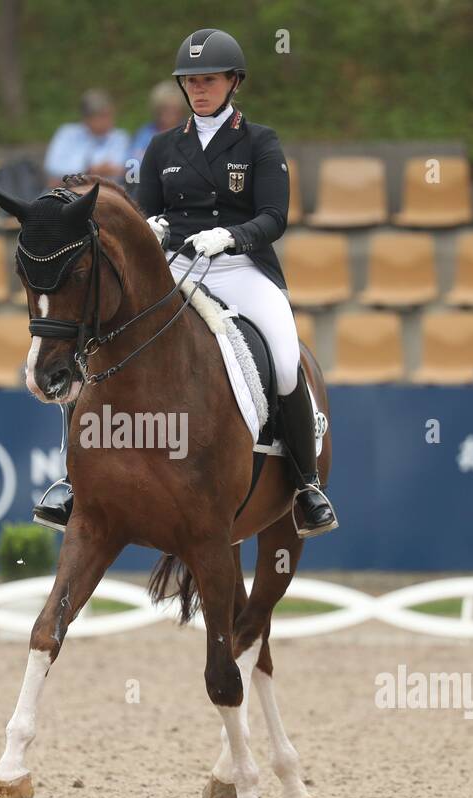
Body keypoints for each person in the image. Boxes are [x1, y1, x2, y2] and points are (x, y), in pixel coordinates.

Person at [33, 28, 337, 539]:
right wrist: (148, 227)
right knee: (95, 348)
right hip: (174, 268)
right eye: (191, 81)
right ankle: (71, 483)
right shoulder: (162, 146)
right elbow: (146, 210)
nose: (199, 89)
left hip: (242, 268)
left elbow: (275, 216)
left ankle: (306, 486)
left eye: (209, 80)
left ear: (232, 82)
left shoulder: (260, 142)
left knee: (286, 360)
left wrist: (233, 236)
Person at [42, 89, 130, 187]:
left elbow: (124, 170)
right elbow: (52, 167)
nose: (109, 120)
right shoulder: (67, 134)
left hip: (107, 193)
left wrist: (85, 174)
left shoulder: (120, 137)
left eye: (110, 115)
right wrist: (88, 170)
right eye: (102, 116)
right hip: (69, 193)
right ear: (87, 118)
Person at [128, 81, 186, 164]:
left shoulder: (189, 132)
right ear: (157, 109)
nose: (169, 112)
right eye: (164, 108)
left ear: (181, 110)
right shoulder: (145, 133)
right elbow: (132, 161)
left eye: (174, 108)